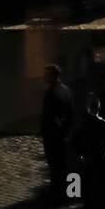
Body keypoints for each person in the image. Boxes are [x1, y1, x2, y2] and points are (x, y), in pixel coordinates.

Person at [40, 64, 74, 199]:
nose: (44, 76)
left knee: (54, 164)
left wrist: (45, 132)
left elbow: (48, 116)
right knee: (63, 163)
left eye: (46, 74)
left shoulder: (50, 93)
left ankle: (56, 193)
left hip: (53, 134)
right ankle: (69, 192)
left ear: (53, 76)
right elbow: (71, 111)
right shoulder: (66, 89)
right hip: (63, 132)